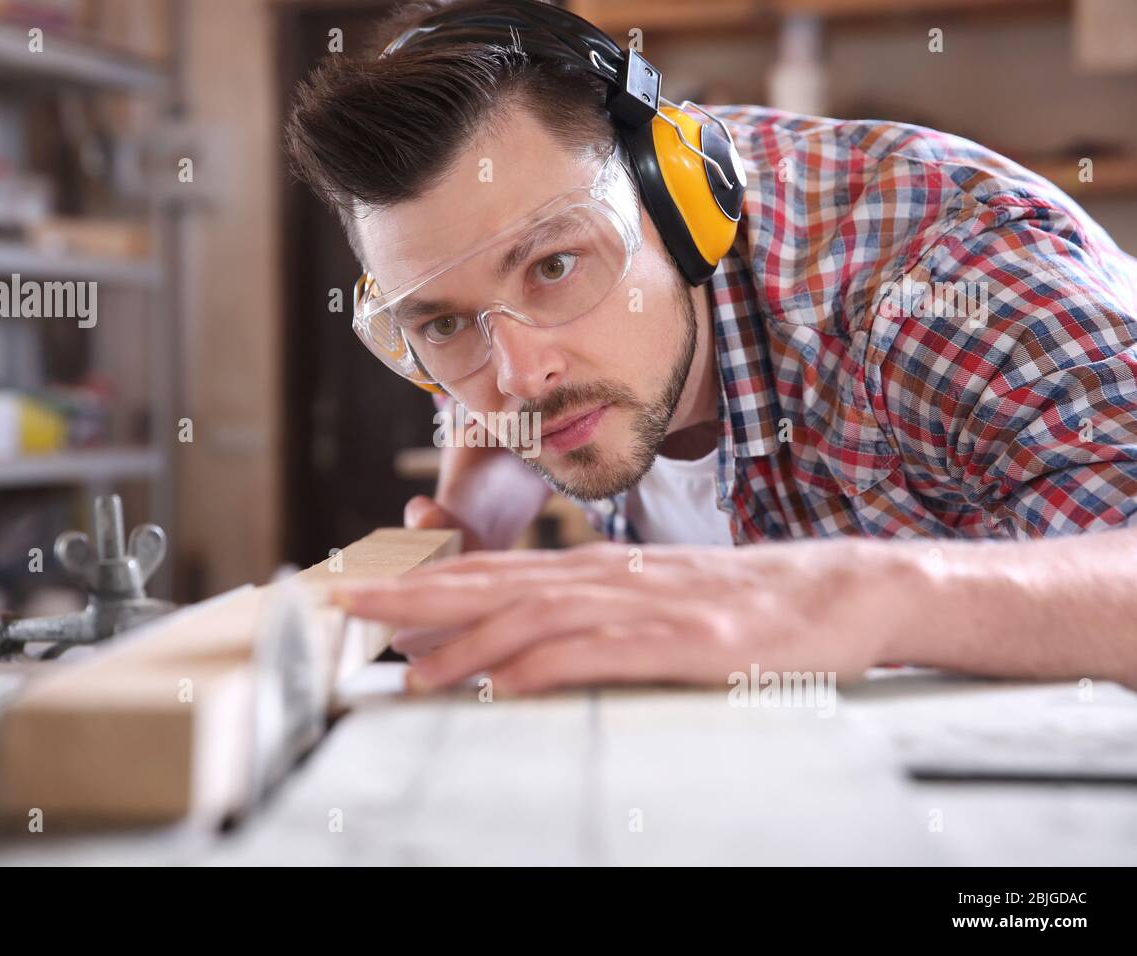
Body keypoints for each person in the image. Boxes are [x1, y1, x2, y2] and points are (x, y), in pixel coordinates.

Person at [284, 0, 1137, 695]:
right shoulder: (506, 320)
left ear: (678, 201)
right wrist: (474, 512)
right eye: (442, 323)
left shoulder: (940, 282)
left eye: (553, 265)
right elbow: (493, 365)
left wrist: (854, 595)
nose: (521, 374)